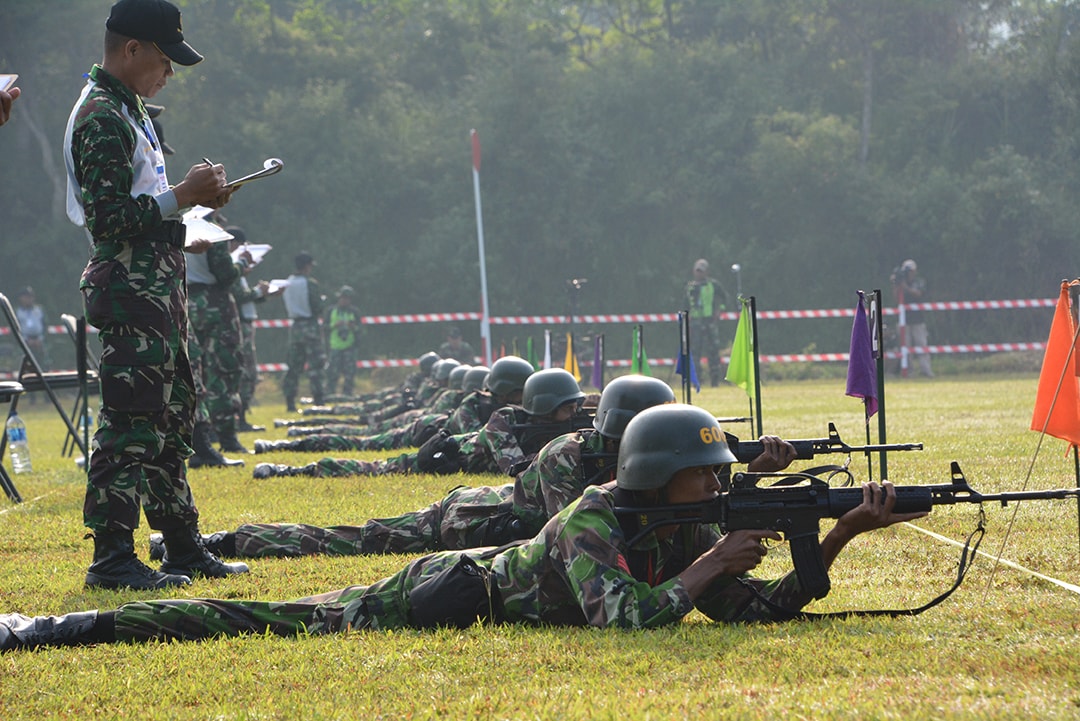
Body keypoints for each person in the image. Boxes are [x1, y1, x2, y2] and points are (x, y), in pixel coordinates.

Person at [0, 404, 923, 649]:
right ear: (659, 476)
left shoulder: (684, 531)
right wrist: (712, 561)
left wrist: (835, 539)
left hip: (471, 595)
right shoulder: (593, 515)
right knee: (276, 616)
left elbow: (747, 614)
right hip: (444, 588)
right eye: (710, 473)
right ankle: (56, 627)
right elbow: (627, 621)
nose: (724, 481)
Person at [63, 0, 249, 589]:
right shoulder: (100, 116)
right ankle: (113, 555)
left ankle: (182, 544)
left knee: (169, 418)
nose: (170, 73)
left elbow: (146, 201)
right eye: (165, 60)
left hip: (157, 286)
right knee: (131, 421)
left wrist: (193, 200)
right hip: (129, 288)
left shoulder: (130, 107)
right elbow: (110, 218)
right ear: (132, 50)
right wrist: (183, 196)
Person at [227, 227, 279, 431]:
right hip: (241, 324)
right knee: (246, 372)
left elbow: (245, 297)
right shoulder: (232, 268)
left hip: (247, 321)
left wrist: (264, 294)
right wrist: (259, 291)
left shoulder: (237, 270)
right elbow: (239, 296)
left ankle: (241, 417)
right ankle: (238, 418)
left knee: (249, 372)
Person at [281, 251, 326, 411]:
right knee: (315, 365)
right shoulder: (310, 283)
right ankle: (318, 400)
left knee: (293, 366)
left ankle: (290, 401)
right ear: (307, 266)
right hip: (310, 326)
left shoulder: (287, 282)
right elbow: (317, 306)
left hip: (295, 327)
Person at [684, 258, 729, 387]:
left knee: (713, 352)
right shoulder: (690, 287)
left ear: (706, 272)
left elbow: (724, 298)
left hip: (710, 322)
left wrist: (719, 310)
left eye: (701, 271)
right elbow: (685, 305)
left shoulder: (713, 285)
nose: (699, 274)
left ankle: (715, 381)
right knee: (695, 353)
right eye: (697, 271)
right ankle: (696, 380)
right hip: (696, 323)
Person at [891, 259, 933, 378]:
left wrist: (906, 287)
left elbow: (918, 294)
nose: (910, 274)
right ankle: (909, 371)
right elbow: (895, 298)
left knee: (921, 345)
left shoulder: (918, 282)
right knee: (905, 347)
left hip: (918, 319)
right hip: (904, 320)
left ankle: (926, 370)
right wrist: (896, 284)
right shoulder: (900, 283)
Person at [325, 286, 361, 398]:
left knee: (349, 374)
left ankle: (347, 394)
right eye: (342, 298)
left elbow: (361, 329)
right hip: (334, 346)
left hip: (349, 347)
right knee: (332, 373)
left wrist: (353, 327)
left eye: (347, 298)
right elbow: (324, 327)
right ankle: (330, 394)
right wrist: (334, 325)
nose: (344, 300)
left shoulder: (355, 312)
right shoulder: (331, 311)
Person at [14, 286, 50, 371]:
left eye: (30, 297)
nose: (28, 299)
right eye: (26, 297)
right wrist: (25, 340)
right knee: (23, 365)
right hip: (24, 342)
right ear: (21, 298)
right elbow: (15, 329)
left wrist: (40, 339)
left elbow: (45, 326)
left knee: (43, 364)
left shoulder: (39, 310)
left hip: (39, 341)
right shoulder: (17, 312)